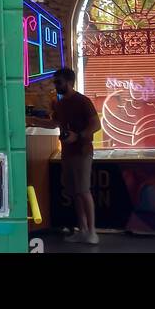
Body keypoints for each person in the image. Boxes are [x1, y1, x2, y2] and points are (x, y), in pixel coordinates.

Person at [50, 66, 101, 245]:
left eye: (59, 82)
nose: (56, 85)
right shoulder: (60, 104)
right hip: (67, 153)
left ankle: (93, 231)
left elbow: (96, 125)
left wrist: (78, 136)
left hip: (82, 151)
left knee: (83, 190)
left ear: (69, 82)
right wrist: (32, 120)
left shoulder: (83, 101)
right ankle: (83, 229)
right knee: (75, 193)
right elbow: (55, 123)